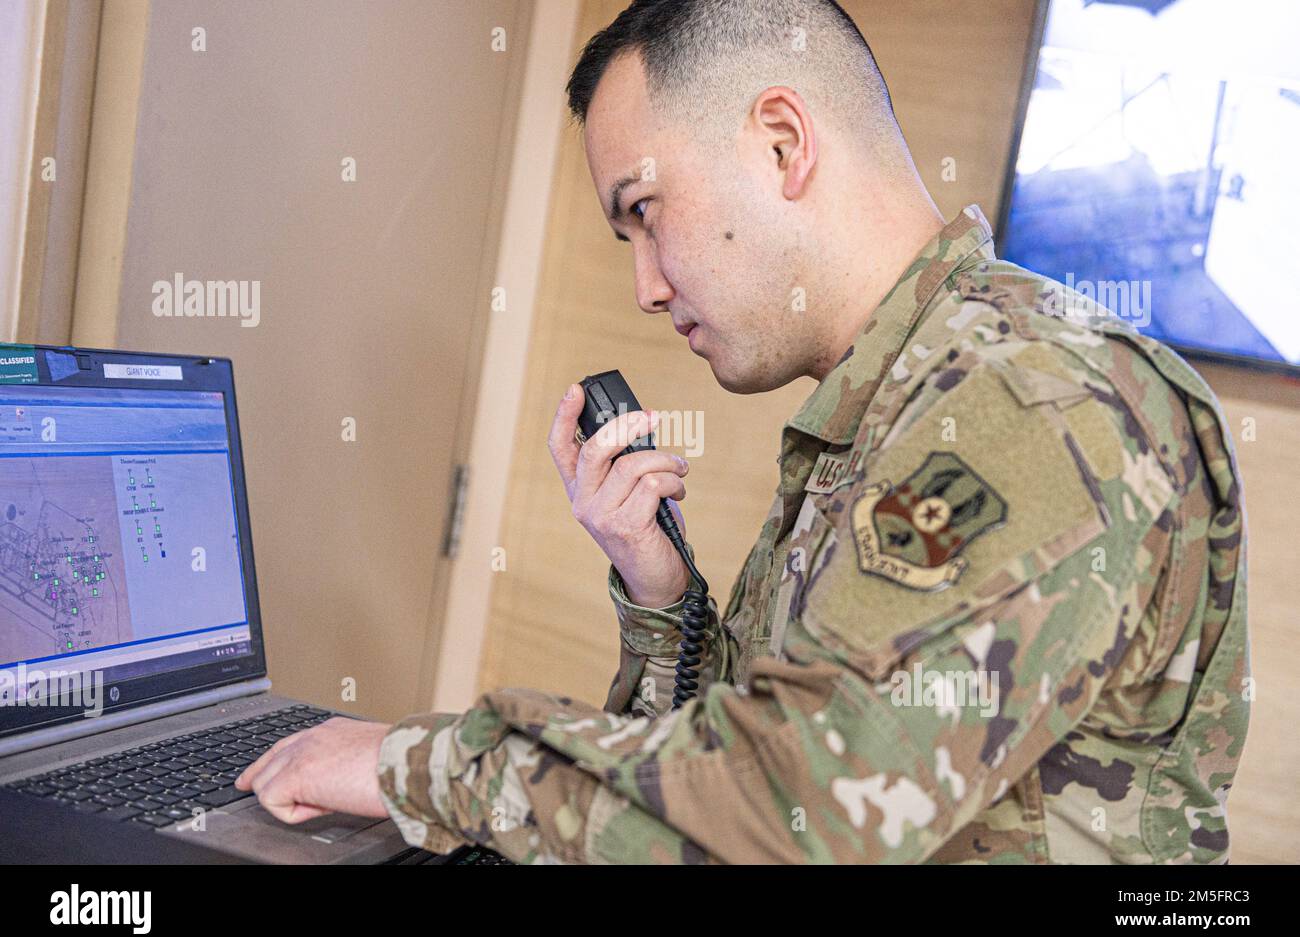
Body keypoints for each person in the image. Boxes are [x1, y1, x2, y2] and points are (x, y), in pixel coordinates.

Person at [236, 0, 1249, 864]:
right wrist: (661, 596)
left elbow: (794, 806)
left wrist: (410, 764)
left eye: (644, 210)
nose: (644, 287)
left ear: (780, 142)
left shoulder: (1030, 396)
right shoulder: (888, 399)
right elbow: (745, 744)